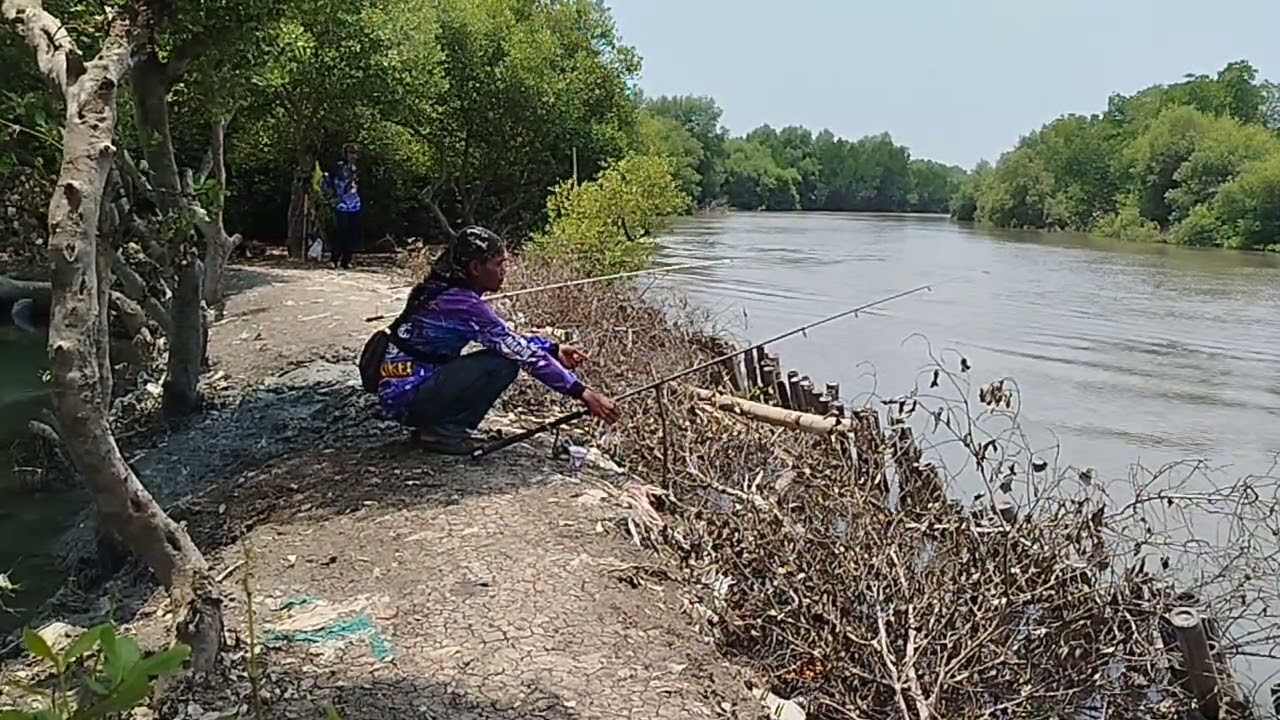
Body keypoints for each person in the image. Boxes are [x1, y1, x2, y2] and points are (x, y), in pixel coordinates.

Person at [377, 225, 621, 454]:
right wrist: (584, 393)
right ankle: (441, 434)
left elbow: (505, 339)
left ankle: (438, 428)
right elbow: (521, 353)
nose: (504, 269)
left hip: (401, 392)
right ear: (475, 268)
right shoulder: (464, 304)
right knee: (502, 364)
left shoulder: (441, 290)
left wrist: (553, 348)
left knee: (504, 355)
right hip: (408, 399)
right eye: (498, 263)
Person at [321, 144, 362, 269]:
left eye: (355, 153)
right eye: (350, 153)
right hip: (341, 204)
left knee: (352, 232)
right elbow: (326, 182)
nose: (353, 156)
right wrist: (331, 197)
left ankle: (346, 260)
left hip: (354, 204)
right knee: (340, 231)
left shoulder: (356, 168)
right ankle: (334, 258)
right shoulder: (337, 167)